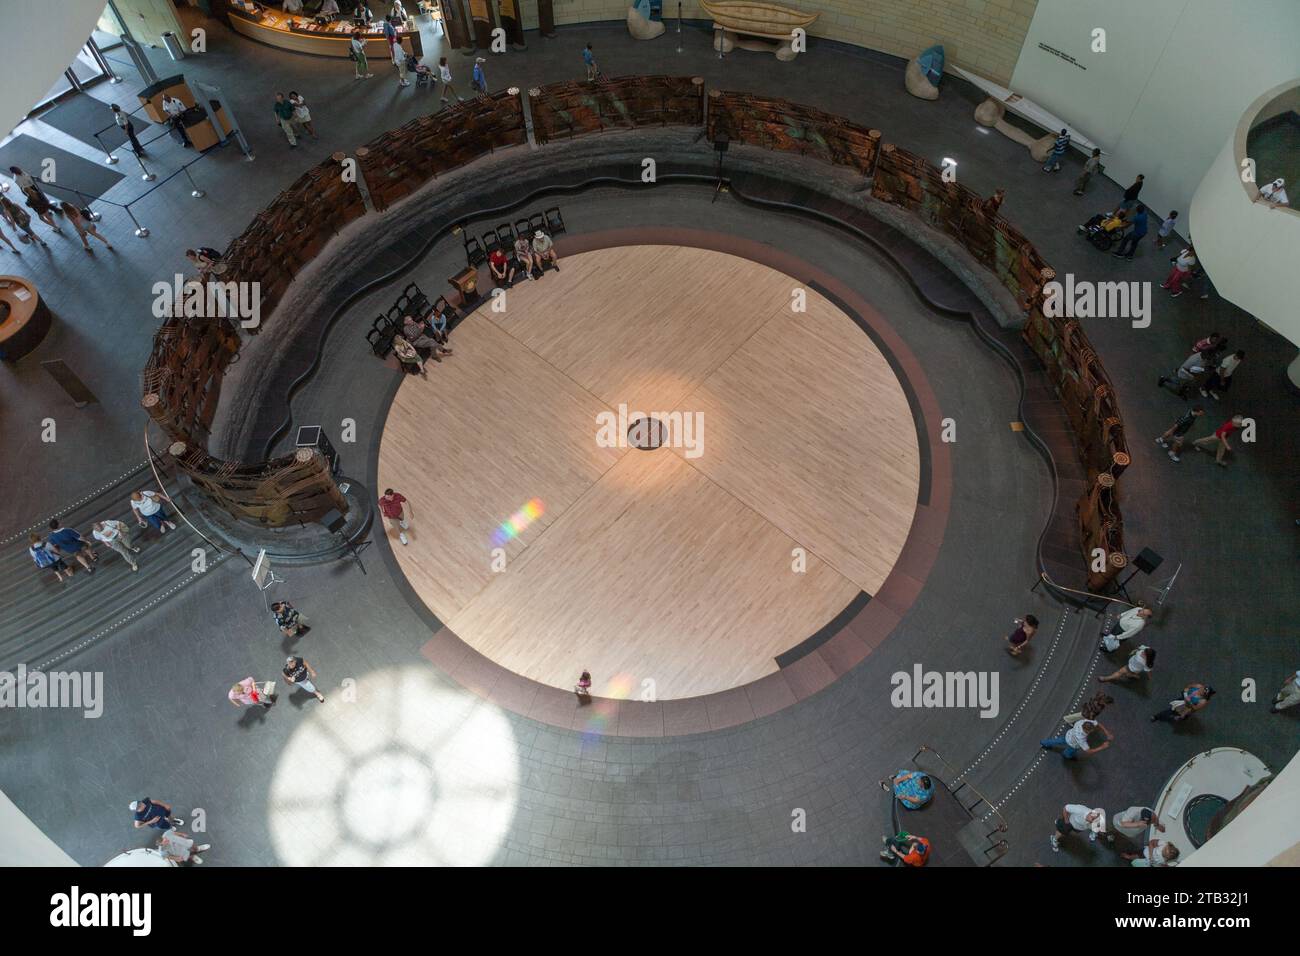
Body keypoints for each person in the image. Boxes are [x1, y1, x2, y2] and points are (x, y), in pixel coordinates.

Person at [1040, 718, 1113, 760]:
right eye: (1091, 731)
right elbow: (1088, 751)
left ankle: (1044, 742)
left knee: (1057, 741)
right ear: (1087, 731)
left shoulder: (1082, 722)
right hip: (1073, 744)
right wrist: (1102, 747)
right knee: (1068, 753)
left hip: (1068, 735)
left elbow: (1096, 723)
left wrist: (1107, 733)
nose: (1093, 731)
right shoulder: (1081, 738)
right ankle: (1066, 755)